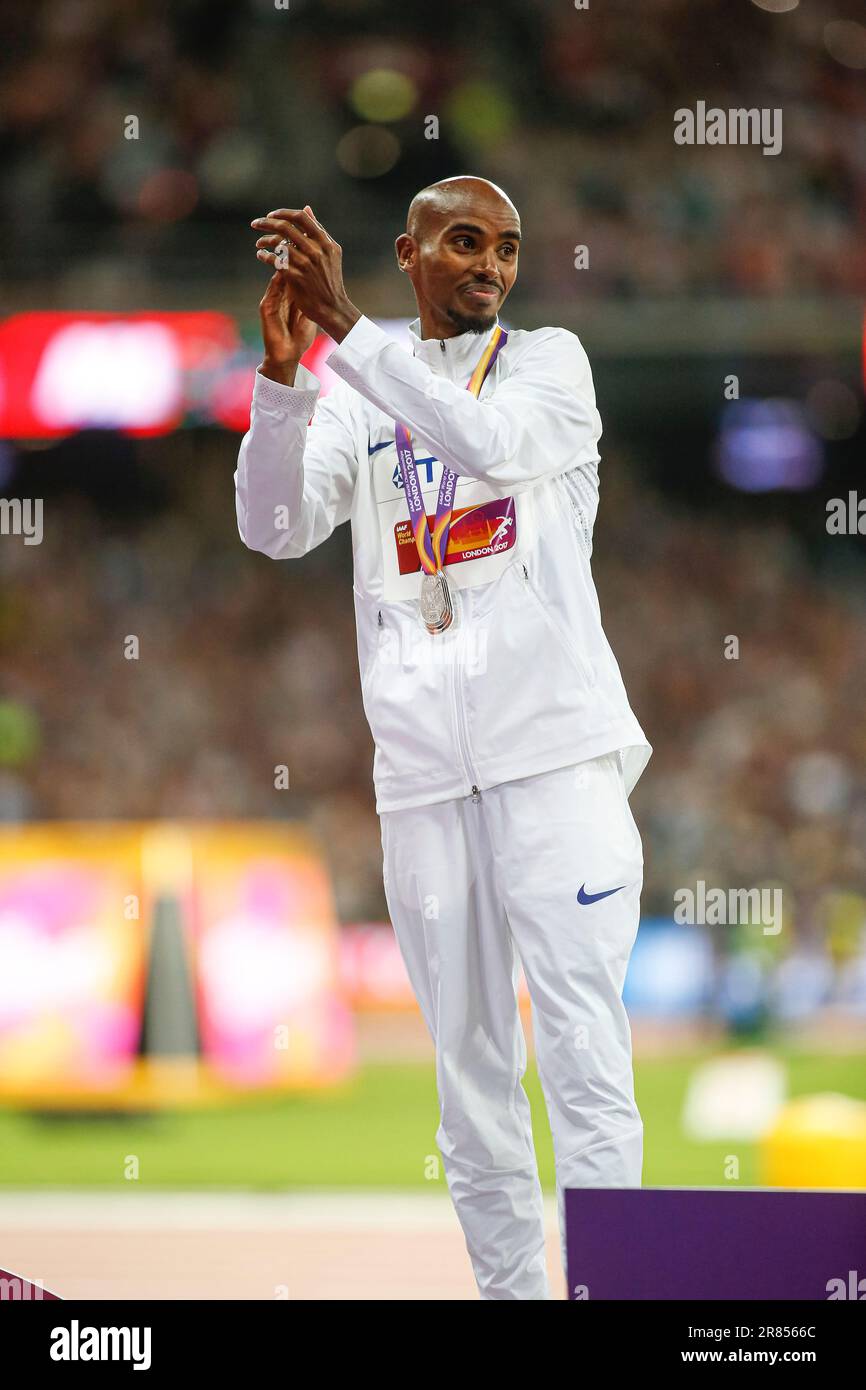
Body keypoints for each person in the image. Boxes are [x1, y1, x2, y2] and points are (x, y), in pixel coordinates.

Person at [235, 176, 652, 1300]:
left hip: (554, 764)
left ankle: (613, 1304)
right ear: (407, 253)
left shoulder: (549, 365)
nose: (490, 265)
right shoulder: (355, 392)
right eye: (463, 242)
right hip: (421, 783)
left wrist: (343, 331)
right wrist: (282, 381)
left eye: (507, 248)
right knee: (470, 1079)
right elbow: (274, 527)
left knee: (581, 1061)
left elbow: (488, 443)